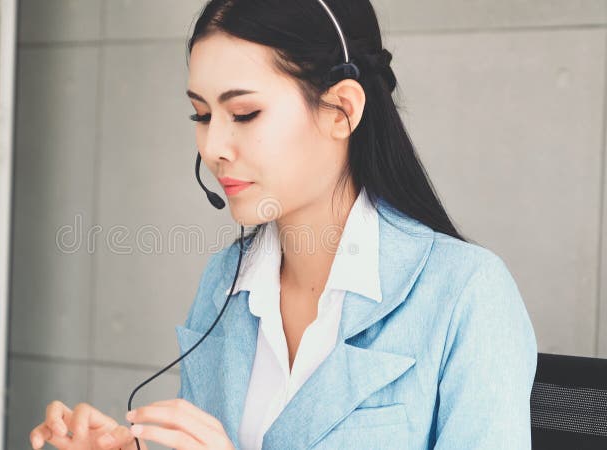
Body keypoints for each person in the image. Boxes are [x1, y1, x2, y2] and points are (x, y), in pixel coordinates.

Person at [29, 1, 538, 449]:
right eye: (201, 116)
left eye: (244, 113)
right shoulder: (224, 284)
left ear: (341, 110)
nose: (212, 147)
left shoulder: (466, 294)